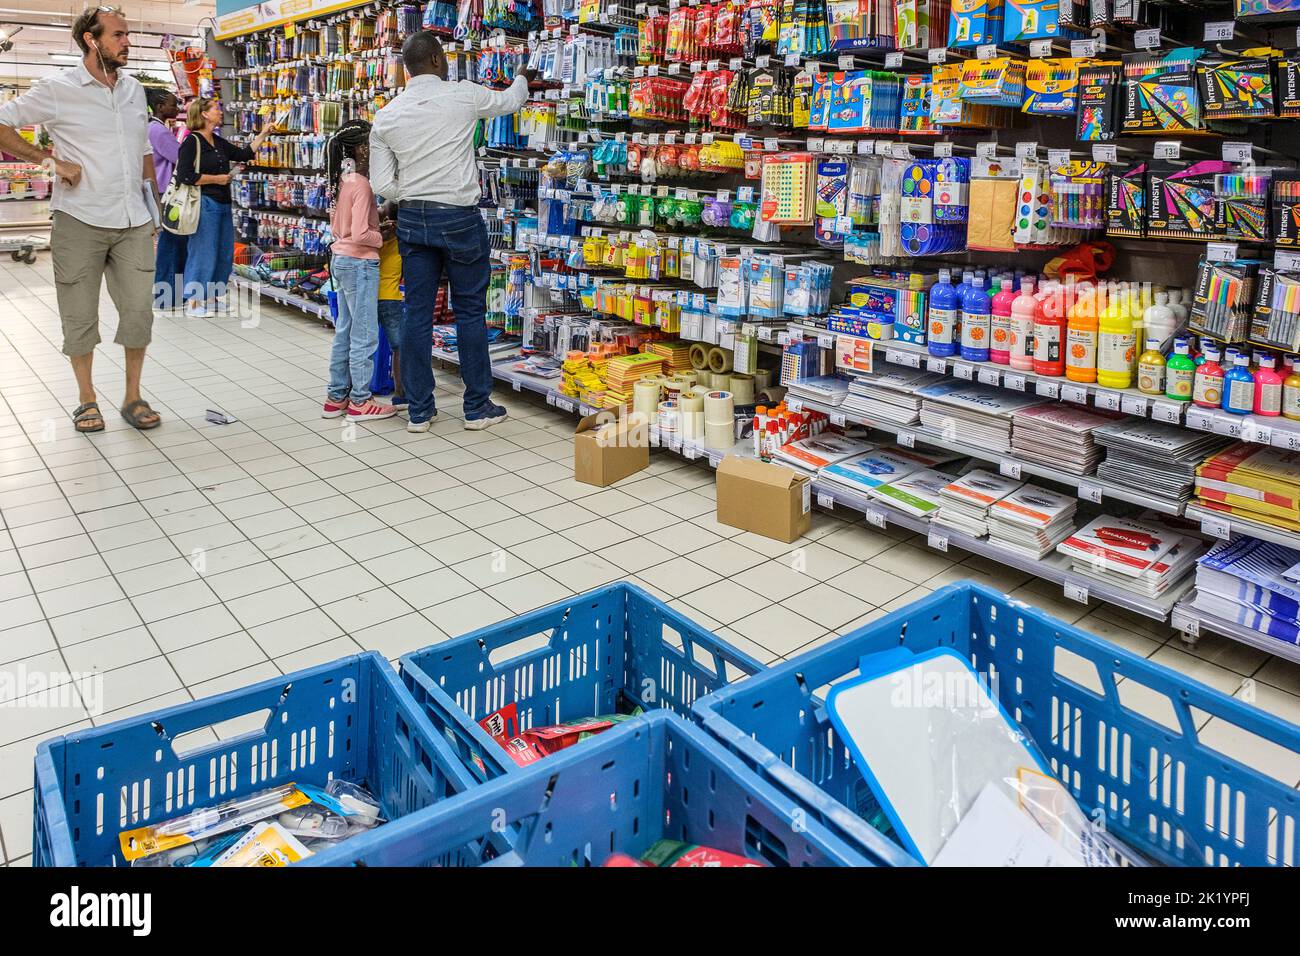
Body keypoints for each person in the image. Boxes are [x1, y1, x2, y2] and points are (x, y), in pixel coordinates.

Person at [0, 6, 163, 432]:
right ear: (91, 40)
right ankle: (87, 399)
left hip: (133, 221)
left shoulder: (135, 91)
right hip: (80, 218)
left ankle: (132, 396)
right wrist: (49, 161)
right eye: (119, 35)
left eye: (128, 35)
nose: (127, 42)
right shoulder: (58, 88)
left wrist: (156, 208)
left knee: (138, 313)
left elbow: (143, 149)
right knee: (79, 313)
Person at [370, 32, 534, 433]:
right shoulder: (463, 95)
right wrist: (522, 75)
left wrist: (410, 192)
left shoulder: (388, 115)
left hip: (413, 219)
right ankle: (477, 407)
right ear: (439, 60)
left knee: (416, 314)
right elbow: (511, 101)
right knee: (470, 311)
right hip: (459, 218)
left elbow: (381, 183)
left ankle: (419, 411)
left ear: (407, 68)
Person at [322, 120, 395, 421]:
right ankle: (361, 401)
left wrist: (377, 216)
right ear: (364, 149)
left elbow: (343, 224)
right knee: (365, 335)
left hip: (341, 259)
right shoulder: (364, 184)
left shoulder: (346, 179)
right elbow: (361, 234)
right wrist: (383, 236)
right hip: (361, 262)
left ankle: (336, 396)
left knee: (345, 331)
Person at [176, 97, 271, 316]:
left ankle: (212, 298)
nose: (220, 112)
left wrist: (264, 133)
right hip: (203, 202)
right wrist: (217, 179)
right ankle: (194, 302)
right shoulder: (192, 142)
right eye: (215, 109)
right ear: (204, 114)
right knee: (203, 251)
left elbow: (244, 154)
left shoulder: (217, 141)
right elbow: (185, 176)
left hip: (223, 202)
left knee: (223, 251)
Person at [147, 87, 187, 311]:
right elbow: (181, 157)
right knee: (172, 244)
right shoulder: (159, 131)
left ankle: (167, 294)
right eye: (173, 104)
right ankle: (168, 296)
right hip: (166, 194)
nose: (177, 108)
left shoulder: (152, 128)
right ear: (160, 107)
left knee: (168, 243)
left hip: (160, 192)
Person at [376, 200, 405, 408]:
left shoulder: (372, 235)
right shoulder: (402, 236)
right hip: (390, 296)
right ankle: (400, 394)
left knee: (361, 346)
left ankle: (353, 393)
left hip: (366, 294)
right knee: (399, 347)